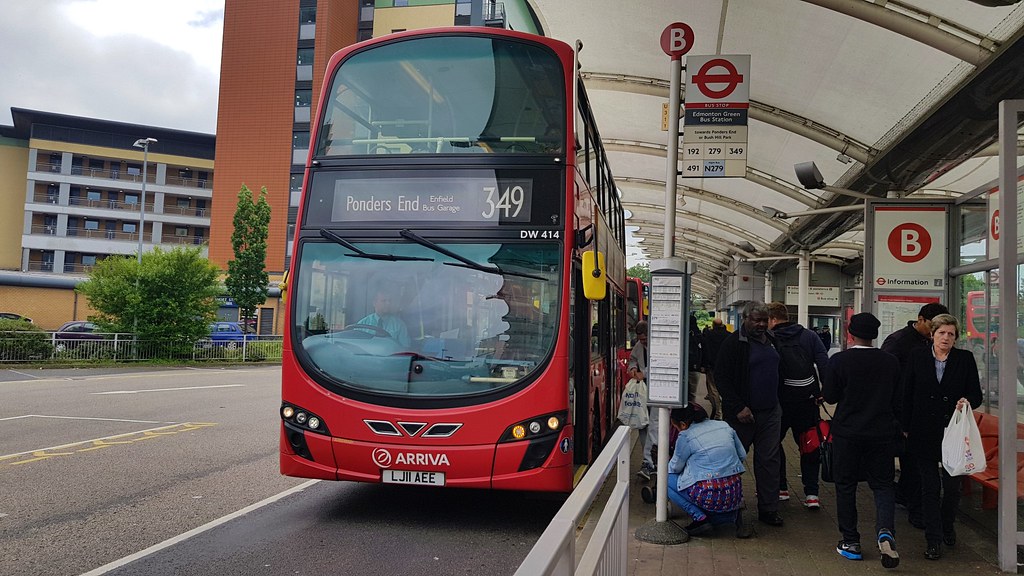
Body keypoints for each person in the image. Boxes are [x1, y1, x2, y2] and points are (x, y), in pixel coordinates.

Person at [822, 312, 901, 569]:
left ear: (850, 333)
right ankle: (885, 531)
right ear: (875, 335)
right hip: (882, 433)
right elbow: (897, 398)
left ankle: (851, 542)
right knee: (883, 485)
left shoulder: (839, 361)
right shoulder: (890, 362)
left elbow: (830, 396)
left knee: (845, 485)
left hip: (848, 433)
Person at [901, 313, 982, 561]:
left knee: (952, 487)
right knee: (930, 487)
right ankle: (933, 539)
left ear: (956, 337)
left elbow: (976, 395)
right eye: (941, 333)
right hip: (923, 431)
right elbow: (906, 392)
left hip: (953, 432)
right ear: (932, 334)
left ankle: (948, 524)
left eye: (951, 334)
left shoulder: (964, 359)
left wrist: (966, 401)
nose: (946, 338)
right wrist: (905, 426)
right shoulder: (917, 356)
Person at [714, 301, 785, 527]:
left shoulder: (772, 340)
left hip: (770, 413)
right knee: (733, 461)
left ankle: (769, 509)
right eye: (757, 320)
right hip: (742, 416)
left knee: (769, 462)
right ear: (745, 319)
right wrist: (738, 407)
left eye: (765, 320)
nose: (762, 324)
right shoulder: (733, 344)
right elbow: (721, 378)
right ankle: (729, 505)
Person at [880, 301, 948, 528]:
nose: (935, 331)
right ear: (920, 320)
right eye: (932, 326)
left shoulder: (935, 343)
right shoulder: (898, 341)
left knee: (915, 462)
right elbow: (886, 376)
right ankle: (916, 509)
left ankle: (906, 496)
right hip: (902, 411)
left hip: (926, 412)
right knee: (914, 462)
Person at [767, 302, 828, 510]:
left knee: (773, 444)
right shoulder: (809, 336)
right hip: (807, 400)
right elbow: (823, 363)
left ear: (772, 319)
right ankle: (812, 494)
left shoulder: (769, 337)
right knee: (809, 445)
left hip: (779, 402)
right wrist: (823, 393)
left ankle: (781, 488)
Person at [666, 404, 752, 538]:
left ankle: (700, 518)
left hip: (707, 493)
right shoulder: (724, 425)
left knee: (665, 479)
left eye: (675, 427)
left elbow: (675, 467)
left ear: (682, 424)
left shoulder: (686, 435)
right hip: (734, 491)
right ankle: (731, 515)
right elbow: (742, 455)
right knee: (718, 488)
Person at [629, 321, 658, 481]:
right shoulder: (639, 346)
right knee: (642, 425)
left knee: (654, 425)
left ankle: (649, 462)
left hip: (657, 390)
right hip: (643, 391)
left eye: (645, 339)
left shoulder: (658, 345)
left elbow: (659, 364)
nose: (643, 342)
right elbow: (633, 359)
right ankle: (650, 461)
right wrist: (633, 368)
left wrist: (644, 373)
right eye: (640, 340)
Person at [701, 317, 728, 419]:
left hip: (712, 366)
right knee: (725, 388)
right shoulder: (728, 335)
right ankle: (724, 411)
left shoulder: (708, 335)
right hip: (725, 367)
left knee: (714, 389)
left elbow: (705, 351)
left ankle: (717, 412)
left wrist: (704, 365)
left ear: (713, 325)